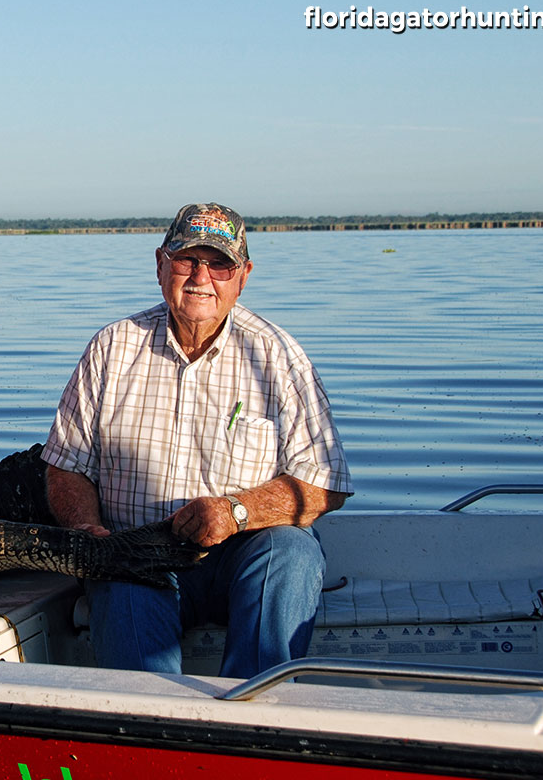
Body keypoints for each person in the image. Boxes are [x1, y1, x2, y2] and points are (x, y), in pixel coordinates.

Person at [41, 203, 352, 678]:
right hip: (141, 554)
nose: (201, 277)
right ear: (161, 264)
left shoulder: (278, 355)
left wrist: (234, 511)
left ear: (243, 276)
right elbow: (66, 466)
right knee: (115, 578)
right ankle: (149, 714)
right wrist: (87, 528)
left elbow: (325, 484)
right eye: (188, 259)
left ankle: (254, 705)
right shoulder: (111, 347)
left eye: (220, 264)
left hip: (244, 553)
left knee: (292, 550)